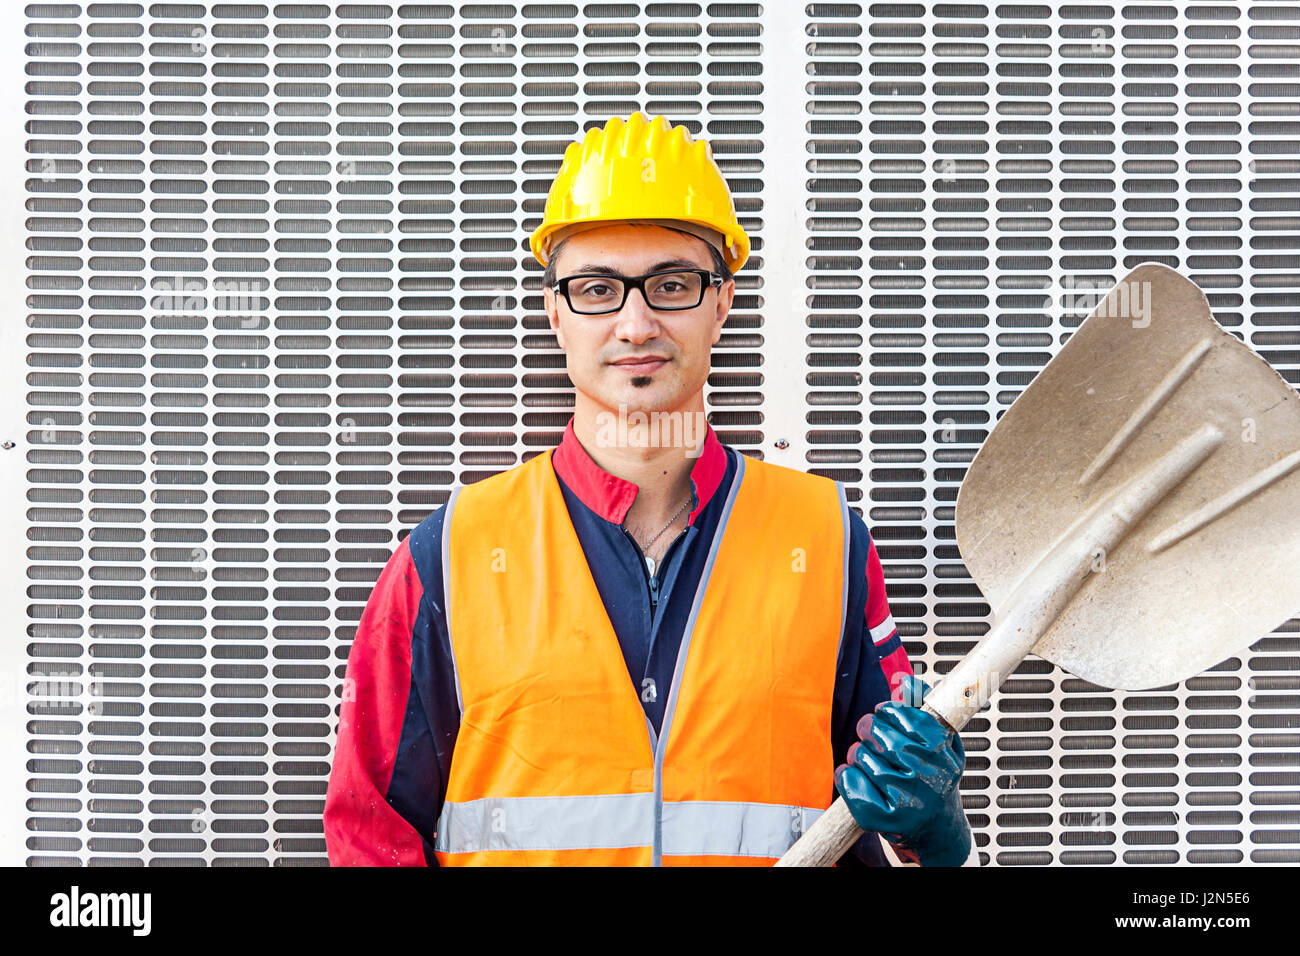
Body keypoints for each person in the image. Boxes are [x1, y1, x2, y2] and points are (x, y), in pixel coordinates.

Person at [323, 112, 975, 866]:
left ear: (723, 302)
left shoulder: (825, 543)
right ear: (555, 312)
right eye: (598, 288)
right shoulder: (450, 556)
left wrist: (938, 836)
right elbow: (371, 835)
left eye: (672, 284)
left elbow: (887, 823)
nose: (635, 324)